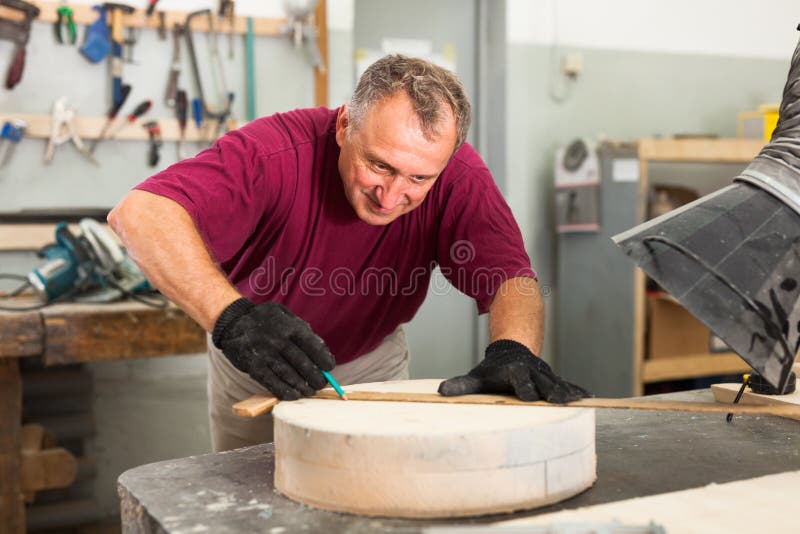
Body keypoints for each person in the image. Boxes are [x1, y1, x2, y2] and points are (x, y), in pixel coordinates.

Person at [108, 54, 589, 452]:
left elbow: (512, 276)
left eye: (419, 179)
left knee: (377, 499)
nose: (391, 195)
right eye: (378, 165)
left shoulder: (456, 172)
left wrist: (513, 349)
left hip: (372, 364)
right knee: (249, 502)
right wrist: (233, 320)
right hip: (257, 361)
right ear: (343, 126)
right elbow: (139, 213)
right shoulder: (273, 151)